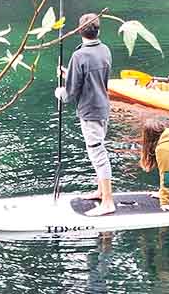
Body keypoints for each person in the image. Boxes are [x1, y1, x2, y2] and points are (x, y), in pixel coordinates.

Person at [55, 13, 115, 216]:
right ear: (98, 30)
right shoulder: (104, 50)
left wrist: (59, 92)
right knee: (99, 149)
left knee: (98, 154)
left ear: (79, 31)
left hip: (90, 111)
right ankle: (100, 191)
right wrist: (69, 73)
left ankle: (108, 202)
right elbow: (94, 76)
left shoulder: (79, 56)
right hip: (103, 108)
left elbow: (70, 94)